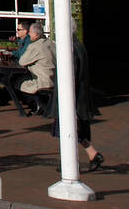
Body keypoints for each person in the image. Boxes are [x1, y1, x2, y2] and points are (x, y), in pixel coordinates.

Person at [47, 19, 104, 172]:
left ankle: (70, 161)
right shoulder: (78, 46)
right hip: (78, 97)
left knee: (68, 129)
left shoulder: (69, 49)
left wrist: (67, 101)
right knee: (71, 130)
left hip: (73, 98)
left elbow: (71, 77)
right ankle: (91, 155)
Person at [19, 20, 56, 114]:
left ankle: (37, 104)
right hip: (54, 78)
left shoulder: (35, 46)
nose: (29, 35)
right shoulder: (51, 43)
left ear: (35, 34)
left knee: (18, 83)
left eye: (30, 33)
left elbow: (22, 61)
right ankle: (40, 103)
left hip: (43, 81)